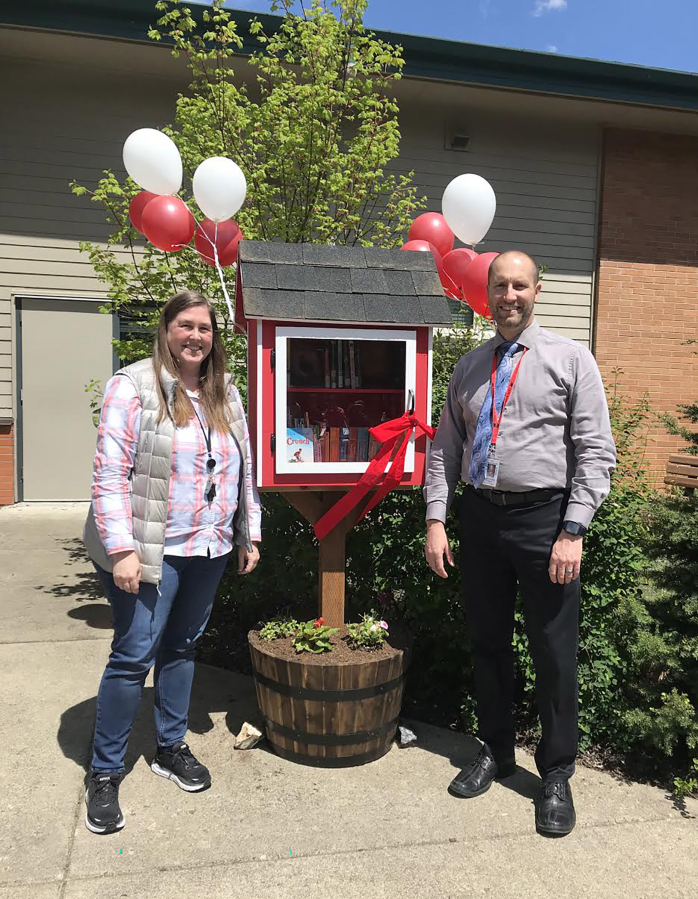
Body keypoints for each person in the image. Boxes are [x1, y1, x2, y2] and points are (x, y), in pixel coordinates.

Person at [424, 250, 616, 837]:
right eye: (499, 286)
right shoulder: (470, 365)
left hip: (545, 523)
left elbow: (596, 452)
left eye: (519, 286)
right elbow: (444, 450)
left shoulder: (570, 359)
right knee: (488, 644)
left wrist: (573, 529)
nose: (509, 296)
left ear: (538, 290)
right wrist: (437, 519)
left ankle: (555, 774)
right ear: (487, 293)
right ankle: (497, 750)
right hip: (481, 522)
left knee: (554, 654)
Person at [82, 290, 261, 835]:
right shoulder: (132, 386)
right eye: (185, 325)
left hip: (206, 545)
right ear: (165, 329)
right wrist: (121, 551)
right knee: (135, 654)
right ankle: (105, 772)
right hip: (148, 549)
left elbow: (240, 468)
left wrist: (248, 531)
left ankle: (169, 746)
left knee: (183, 647)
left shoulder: (224, 393)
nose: (195, 337)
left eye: (205, 329)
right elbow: (109, 474)